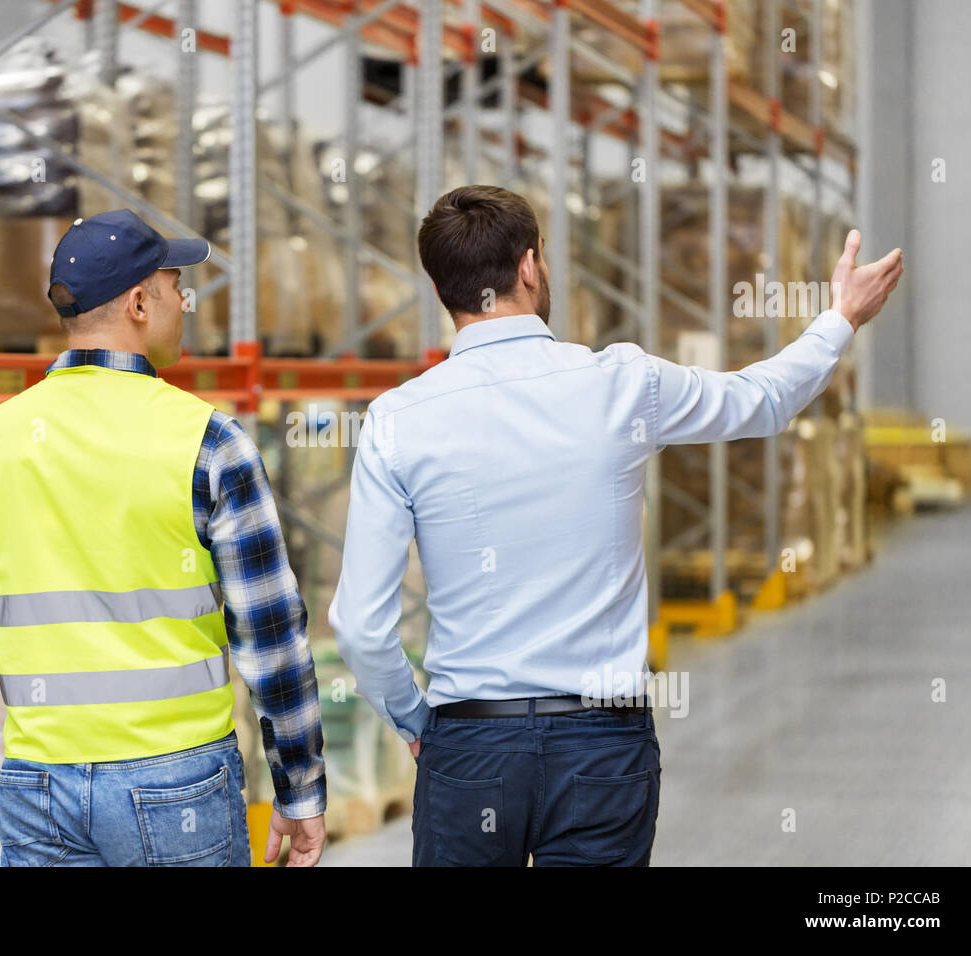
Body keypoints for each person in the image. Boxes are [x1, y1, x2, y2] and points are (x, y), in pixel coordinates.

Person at [328, 184, 902, 866]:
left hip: (471, 747)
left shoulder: (398, 419)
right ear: (530, 267)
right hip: (601, 747)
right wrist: (840, 317)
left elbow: (362, 627)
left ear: (439, 288)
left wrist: (422, 724)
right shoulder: (622, 384)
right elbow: (764, 400)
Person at [0, 209, 327, 867]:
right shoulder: (210, 442)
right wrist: (300, 789)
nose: (184, 302)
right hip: (176, 783)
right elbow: (272, 638)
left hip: (38, 783)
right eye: (173, 285)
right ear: (138, 302)